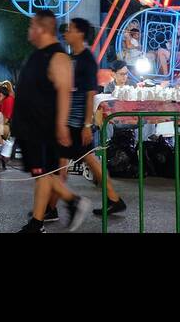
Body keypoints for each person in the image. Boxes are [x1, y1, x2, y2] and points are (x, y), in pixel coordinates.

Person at [11, 10, 91, 233]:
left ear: (41, 29)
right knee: (42, 176)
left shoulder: (58, 56)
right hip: (30, 127)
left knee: (43, 174)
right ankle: (38, 223)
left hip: (42, 128)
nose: (29, 31)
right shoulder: (39, 54)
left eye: (31, 26)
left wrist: (61, 125)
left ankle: (73, 202)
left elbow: (64, 92)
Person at [59, 18, 126, 218]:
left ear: (80, 33)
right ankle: (113, 199)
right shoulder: (77, 57)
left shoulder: (86, 59)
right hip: (74, 120)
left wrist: (87, 124)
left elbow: (90, 94)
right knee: (75, 161)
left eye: (69, 30)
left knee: (75, 162)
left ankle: (56, 206)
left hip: (77, 122)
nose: (65, 33)